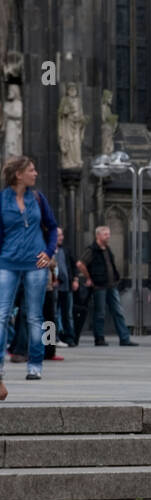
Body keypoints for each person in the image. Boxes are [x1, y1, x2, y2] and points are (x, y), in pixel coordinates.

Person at [0, 155, 59, 386]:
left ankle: (35, 365)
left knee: (35, 316)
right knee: (2, 315)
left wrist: (49, 250)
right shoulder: (2, 200)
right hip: (7, 261)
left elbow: (53, 227)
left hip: (36, 262)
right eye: (31, 170)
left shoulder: (38, 198)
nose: (35, 174)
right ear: (19, 174)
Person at [76, 224, 137, 346]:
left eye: (109, 234)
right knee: (100, 313)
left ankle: (124, 338)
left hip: (111, 285)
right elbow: (80, 264)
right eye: (106, 234)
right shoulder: (92, 250)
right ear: (98, 235)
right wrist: (89, 278)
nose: (108, 236)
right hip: (99, 286)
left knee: (118, 311)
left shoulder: (107, 249)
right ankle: (99, 338)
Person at [52, 227, 76, 346]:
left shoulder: (65, 250)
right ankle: (51, 340)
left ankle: (69, 338)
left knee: (67, 314)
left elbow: (72, 265)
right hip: (52, 286)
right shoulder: (48, 250)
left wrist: (74, 279)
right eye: (58, 235)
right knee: (52, 314)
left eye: (61, 235)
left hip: (65, 286)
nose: (61, 237)